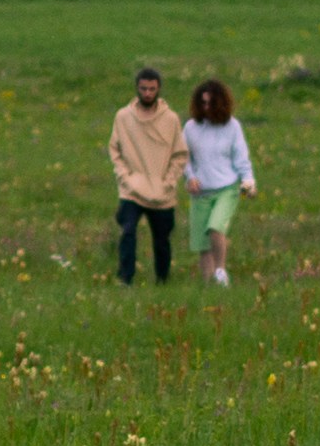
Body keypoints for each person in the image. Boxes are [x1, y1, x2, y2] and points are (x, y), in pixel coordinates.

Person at [109, 61, 186, 284]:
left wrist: (169, 182)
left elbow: (180, 154)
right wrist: (125, 177)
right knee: (128, 231)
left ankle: (162, 280)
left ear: (159, 88)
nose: (148, 93)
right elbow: (115, 149)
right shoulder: (123, 117)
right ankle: (125, 279)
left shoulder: (170, 119)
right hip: (131, 189)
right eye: (143, 88)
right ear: (137, 88)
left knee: (162, 240)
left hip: (161, 191)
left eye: (152, 89)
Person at [184, 76, 256, 287]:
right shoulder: (190, 128)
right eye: (202, 103)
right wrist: (190, 177)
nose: (206, 107)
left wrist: (248, 182)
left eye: (211, 103)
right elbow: (183, 157)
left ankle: (221, 270)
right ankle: (209, 286)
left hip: (227, 188)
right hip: (200, 192)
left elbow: (241, 158)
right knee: (202, 244)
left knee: (216, 228)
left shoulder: (232, 127)